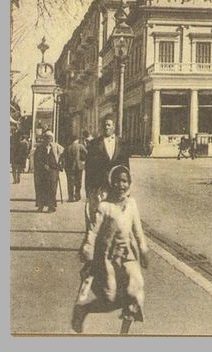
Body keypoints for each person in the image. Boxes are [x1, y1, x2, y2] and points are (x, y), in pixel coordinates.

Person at [72, 165, 149, 335]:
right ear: (111, 183)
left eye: (124, 181)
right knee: (110, 298)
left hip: (128, 255)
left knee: (135, 292)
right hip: (107, 257)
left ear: (129, 183)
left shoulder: (132, 204)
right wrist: (88, 250)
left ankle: (123, 335)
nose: (121, 185)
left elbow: (138, 230)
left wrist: (143, 249)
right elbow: (93, 230)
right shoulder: (104, 206)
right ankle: (83, 310)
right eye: (117, 181)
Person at [85, 117, 130, 225]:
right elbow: (89, 167)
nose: (107, 127)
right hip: (99, 184)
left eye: (109, 125)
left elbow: (125, 165)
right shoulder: (94, 143)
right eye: (105, 125)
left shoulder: (121, 142)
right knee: (99, 209)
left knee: (116, 209)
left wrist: (127, 184)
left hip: (116, 183)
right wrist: (88, 187)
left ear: (114, 127)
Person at [33, 130, 63, 212]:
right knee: (42, 189)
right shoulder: (39, 148)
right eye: (46, 138)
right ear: (44, 138)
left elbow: (60, 157)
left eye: (50, 138)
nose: (48, 140)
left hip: (53, 171)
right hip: (42, 172)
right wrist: (43, 165)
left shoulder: (54, 147)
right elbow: (36, 159)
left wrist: (59, 165)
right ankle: (41, 206)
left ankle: (51, 206)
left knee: (52, 189)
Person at [63, 136, 88, 202]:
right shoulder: (80, 146)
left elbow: (63, 157)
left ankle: (71, 197)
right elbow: (87, 153)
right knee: (78, 182)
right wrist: (84, 161)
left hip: (69, 167)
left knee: (70, 182)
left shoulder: (67, 147)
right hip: (79, 167)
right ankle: (77, 196)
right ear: (77, 140)